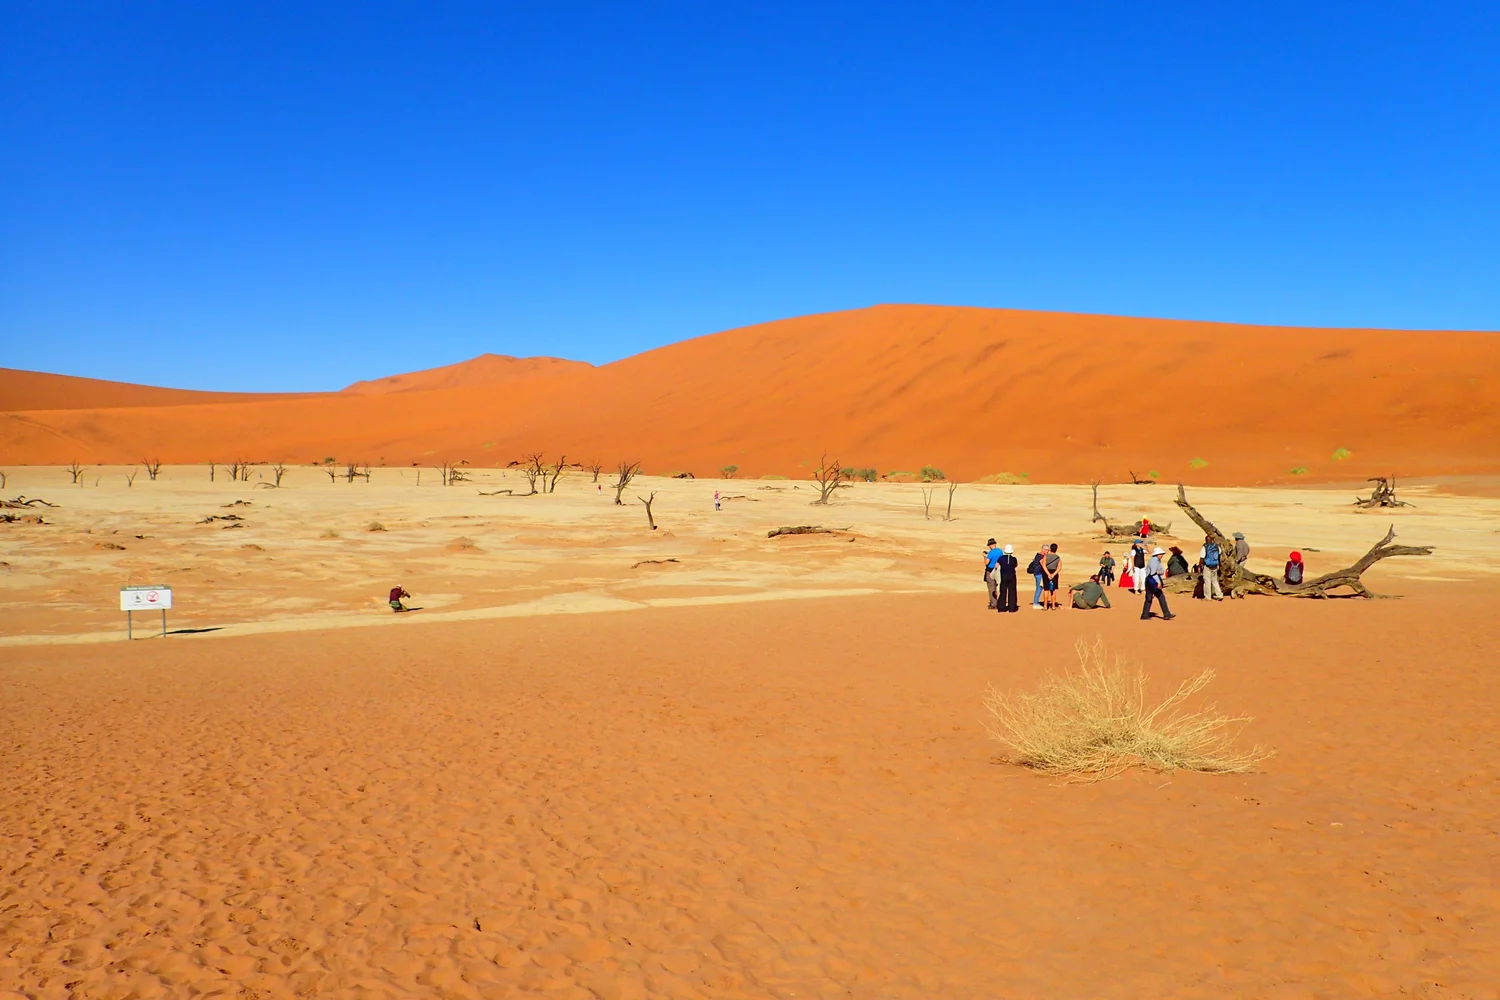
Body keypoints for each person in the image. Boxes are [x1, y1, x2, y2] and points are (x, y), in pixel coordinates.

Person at [1140, 547, 1175, 620]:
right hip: (1152, 581)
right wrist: (1158, 582)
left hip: (1153, 580)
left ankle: (1166, 614)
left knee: (1158, 597)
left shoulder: (1157, 561)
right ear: (1157, 554)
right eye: (1161, 554)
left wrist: (1158, 573)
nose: (1162, 555)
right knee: (1151, 598)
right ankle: (1145, 615)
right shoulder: (1153, 561)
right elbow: (1153, 573)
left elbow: (1161, 571)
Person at [995, 544, 1020, 613]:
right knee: (1012, 591)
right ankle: (1012, 608)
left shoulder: (1001, 558)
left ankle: (1001, 608)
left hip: (1003, 576)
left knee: (1003, 591)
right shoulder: (1014, 559)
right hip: (1012, 576)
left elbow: (996, 566)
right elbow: (1016, 565)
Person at [1199, 534, 1224, 600]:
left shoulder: (1205, 547)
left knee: (1207, 581)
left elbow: (1202, 557)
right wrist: (1218, 564)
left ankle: (1207, 597)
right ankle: (1219, 595)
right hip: (1215, 565)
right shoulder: (1216, 546)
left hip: (1207, 566)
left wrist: (1199, 566)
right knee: (1215, 581)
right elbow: (1219, 554)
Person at [1042, 543, 1062, 610]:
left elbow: (1044, 565)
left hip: (1046, 573)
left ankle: (1045, 606)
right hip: (1054, 574)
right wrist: (1053, 574)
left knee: (1046, 590)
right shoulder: (1058, 557)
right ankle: (1053, 606)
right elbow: (1059, 567)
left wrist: (1048, 574)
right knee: (1053, 590)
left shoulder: (1046, 556)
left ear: (1050, 549)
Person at [982, 538, 1001, 609]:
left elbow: (986, 563)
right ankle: (996, 601)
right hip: (998, 570)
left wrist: (985, 557)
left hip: (990, 571)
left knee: (991, 587)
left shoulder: (991, 553)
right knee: (995, 587)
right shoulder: (1000, 551)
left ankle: (994, 604)